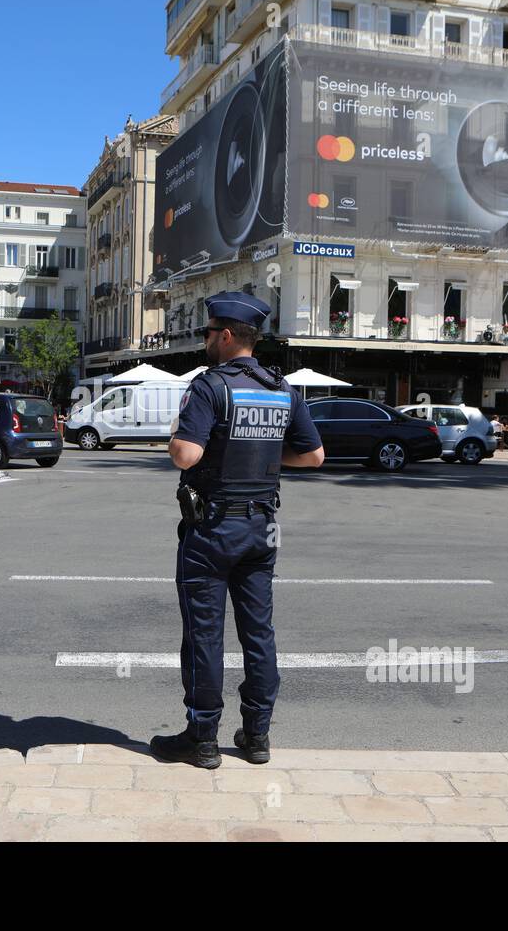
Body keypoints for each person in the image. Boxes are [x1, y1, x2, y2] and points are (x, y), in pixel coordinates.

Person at [150, 291, 324, 769]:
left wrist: (174, 440)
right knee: (258, 632)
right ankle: (258, 735)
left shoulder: (210, 386)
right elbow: (313, 456)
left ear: (226, 336)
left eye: (208, 332)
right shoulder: (282, 389)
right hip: (261, 527)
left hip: (211, 529)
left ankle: (202, 740)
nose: (205, 339)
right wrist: (266, 456)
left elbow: (187, 455)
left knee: (205, 636)